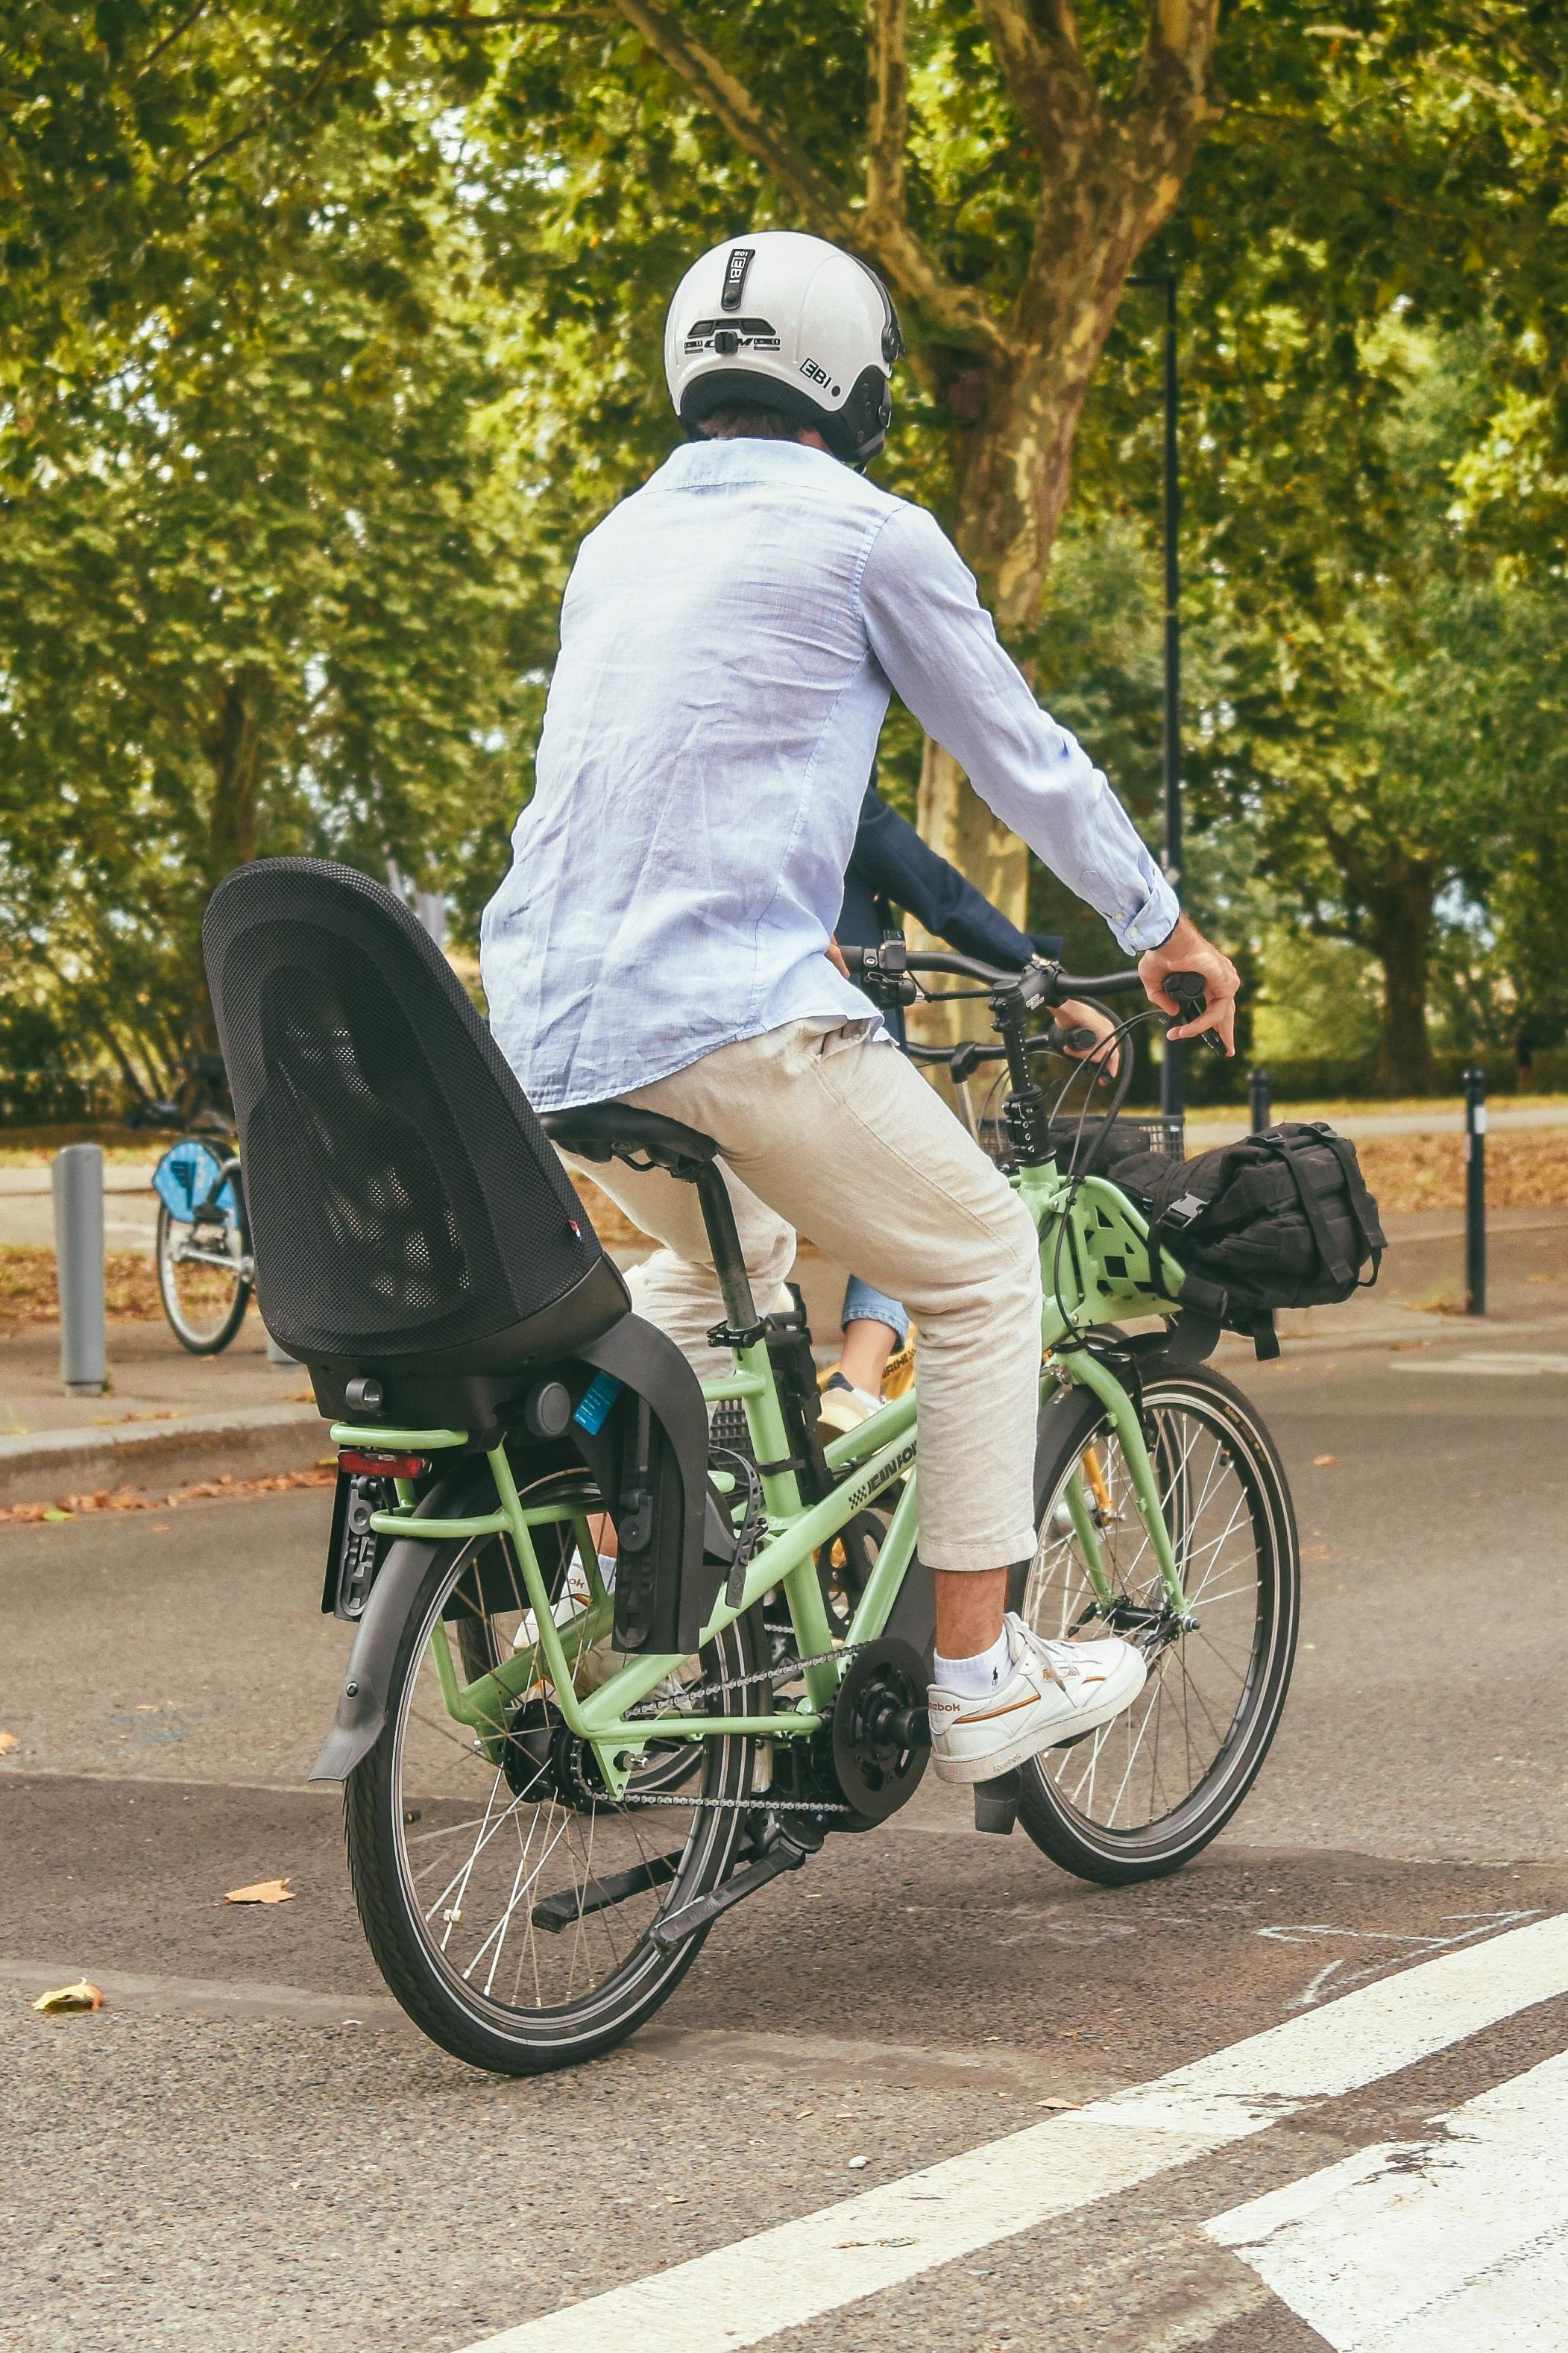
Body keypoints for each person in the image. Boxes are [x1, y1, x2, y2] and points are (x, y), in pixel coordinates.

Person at [480, 228, 1241, 1789]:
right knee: (974, 1265)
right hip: (733, 1022)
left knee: (731, 1259)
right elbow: (1019, 751)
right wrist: (1157, 924)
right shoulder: (867, 529)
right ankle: (978, 1673)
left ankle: (582, 1614)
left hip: (545, 1032)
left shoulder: (616, 537)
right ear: (858, 379)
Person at [817, 785, 1119, 1402]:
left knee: (717, 1265)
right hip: (825, 1042)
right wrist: (1053, 988)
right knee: (927, 1202)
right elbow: (937, 892)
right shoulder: (821, 778)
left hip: (657, 1052)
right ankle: (860, 1377)